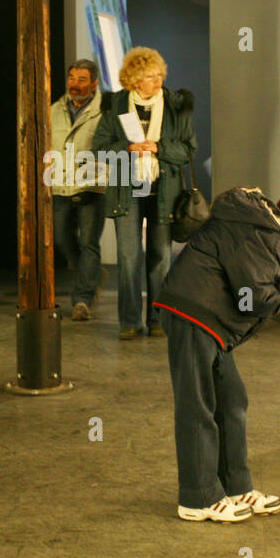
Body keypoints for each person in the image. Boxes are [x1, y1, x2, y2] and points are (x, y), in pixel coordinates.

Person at [153, 186, 280, 523]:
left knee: (232, 402)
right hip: (193, 315)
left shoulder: (261, 227)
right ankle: (198, 498)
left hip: (211, 322)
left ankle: (236, 487)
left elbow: (249, 277)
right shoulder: (260, 234)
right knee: (198, 408)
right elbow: (255, 299)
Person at [92, 47, 196, 340]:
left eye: (160, 75)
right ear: (134, 80)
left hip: (165, 190)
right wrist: (127, 147)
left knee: (160, 256)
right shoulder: (115, 105)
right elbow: (100, 147)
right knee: (128, 257)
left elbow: (190, 149)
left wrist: (158, 148)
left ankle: (157, 319)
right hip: (127, 188)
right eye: (150, 77)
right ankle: (128, 321)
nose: (157, 81)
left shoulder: (177, 105)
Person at [49, 59, 105, 321]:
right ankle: (91, 274)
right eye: (72, 78)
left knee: (88, 243)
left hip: (91, 186)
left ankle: (83, 299)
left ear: (94, 84)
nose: (74, 84)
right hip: (61, 184)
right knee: (61, 238)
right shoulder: (54, 110)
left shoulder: (104, 111)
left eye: (82, 80)